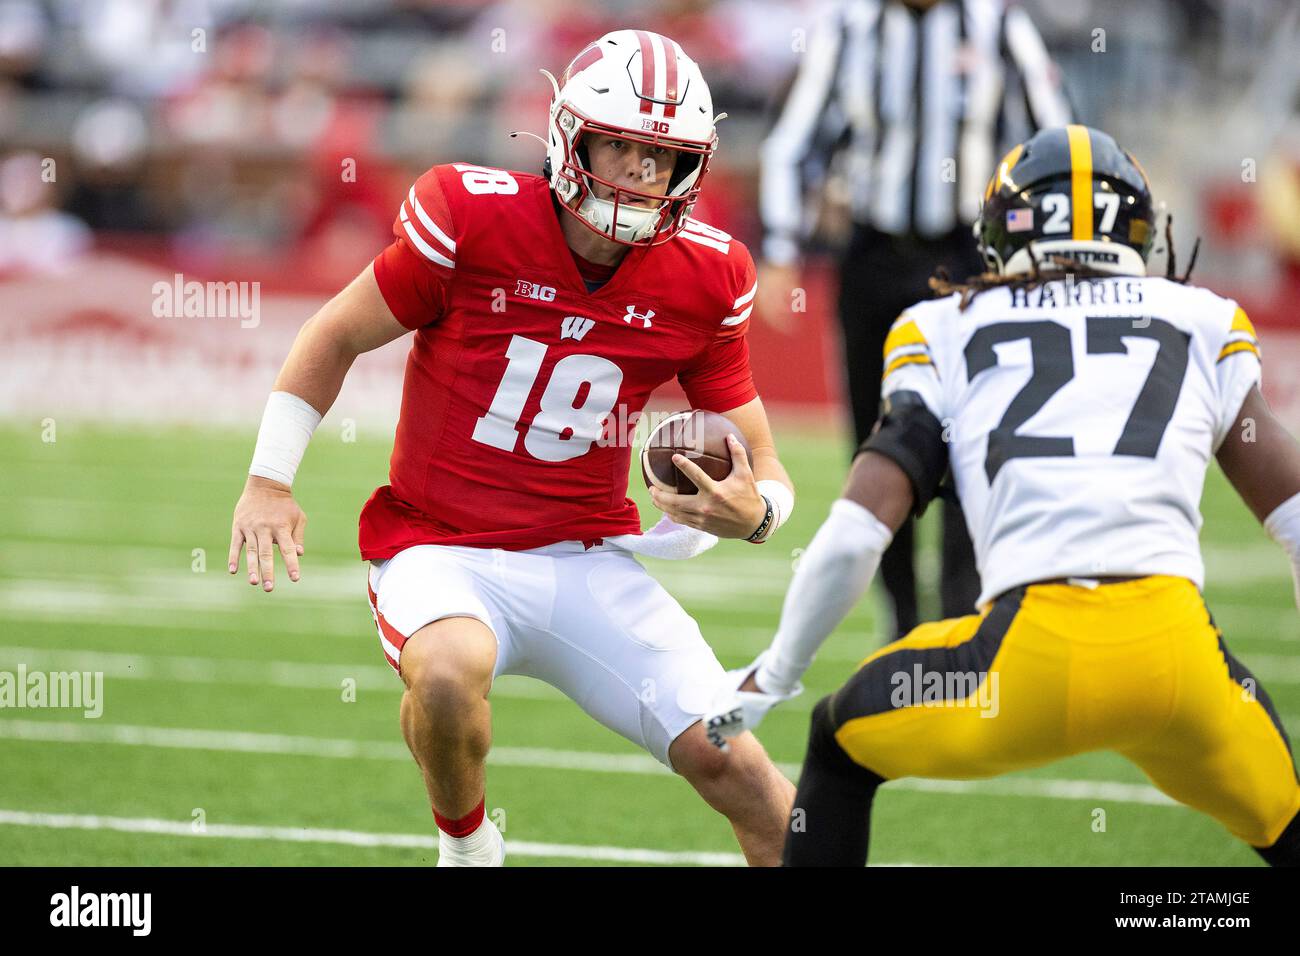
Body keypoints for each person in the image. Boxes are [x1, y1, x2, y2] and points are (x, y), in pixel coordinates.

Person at [228, 30, 798, 867]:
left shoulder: (707, 275)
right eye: (624, 145)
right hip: (440, 545)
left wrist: (758, 515)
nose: (642, 173)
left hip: (588, 557)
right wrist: (270, 481)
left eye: (663, 156)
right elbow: (336, 334)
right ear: (571, 135)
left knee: (756, 788)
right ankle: (466, 849)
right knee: (452, 672)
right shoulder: (474, 215)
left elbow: (767, 464)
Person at [710, 124, 1300, 866]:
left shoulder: (946, 327)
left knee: (838, 743)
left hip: (1023, 664)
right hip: (1181, 666)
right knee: (1287, 823)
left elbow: (861, 532)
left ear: (1001, 231)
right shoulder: (1202, 319)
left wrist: (776, 672)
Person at [758, 0, 1072, 639]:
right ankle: (899, 622)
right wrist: (783, 249)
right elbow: (794, 142)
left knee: (973, 436)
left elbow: (1052, 143)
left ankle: (960, 619)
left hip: (970, 254)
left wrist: (1048, 250)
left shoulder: (996, 23)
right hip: (874, 251)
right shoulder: (850, 26)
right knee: (878, 438)